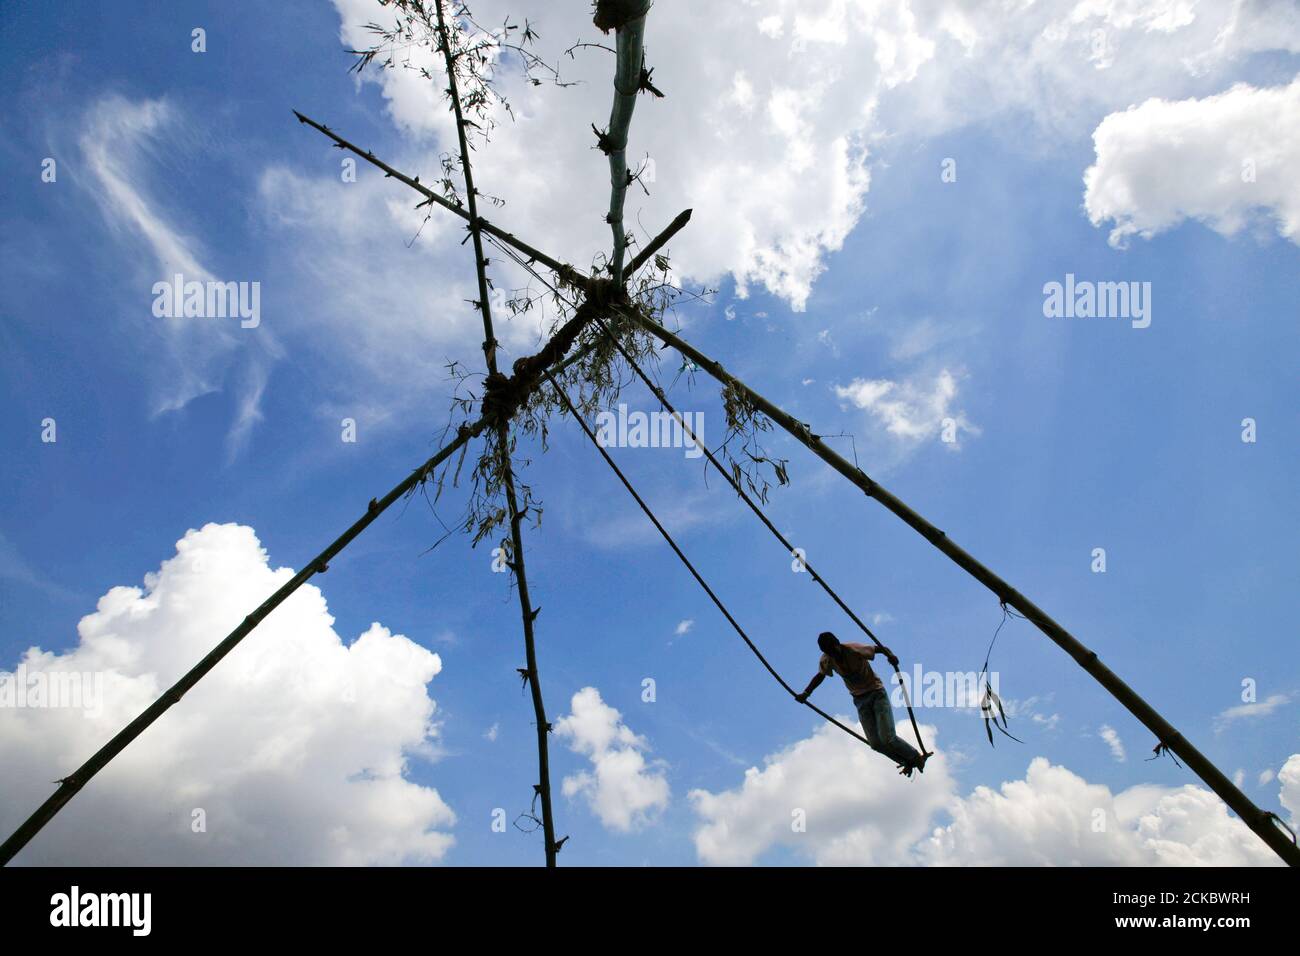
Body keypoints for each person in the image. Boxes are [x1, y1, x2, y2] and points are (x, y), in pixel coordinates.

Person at [795, 631, 928, 776]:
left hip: (876, 694)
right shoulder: (827, 659)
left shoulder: (853, 648)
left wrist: (891, 656)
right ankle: (906, 761)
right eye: (830, 653)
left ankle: (915, 757)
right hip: (860, 700)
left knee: (887, 738)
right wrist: (806, 693)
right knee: (876, 744)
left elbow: (880, 649)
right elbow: (820, 676)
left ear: (837, 644)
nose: (834, 655)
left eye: (834, 650)